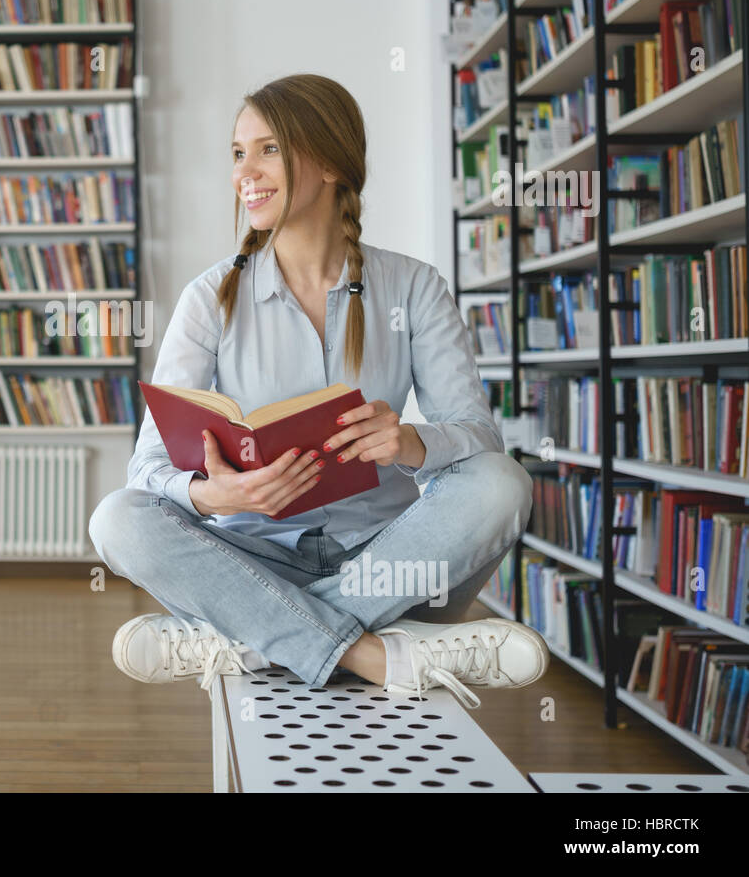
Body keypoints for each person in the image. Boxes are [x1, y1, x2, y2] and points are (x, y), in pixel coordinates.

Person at [87, 73, 548, 708]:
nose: (245, 170)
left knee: (503, 481)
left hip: (385, 562)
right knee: (117, 519)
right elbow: (146, 470)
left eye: (268, 148)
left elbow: (478, 437)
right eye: (238, 152)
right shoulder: (208, 299)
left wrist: (410, 442)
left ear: (331, 162)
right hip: (252, 556)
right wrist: (212, 492)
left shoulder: (414, 287)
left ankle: (251, 639)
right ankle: (372, 653)